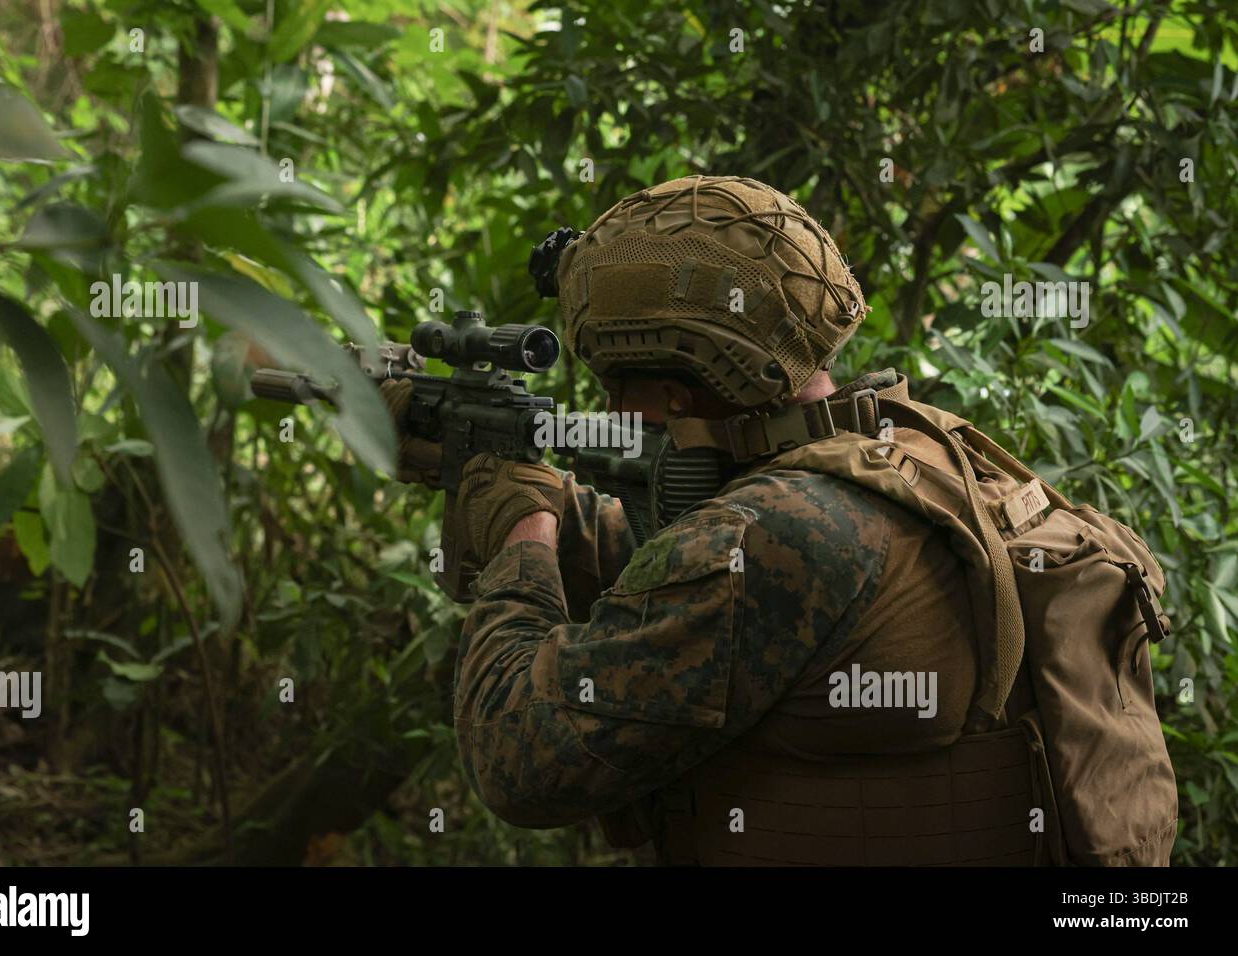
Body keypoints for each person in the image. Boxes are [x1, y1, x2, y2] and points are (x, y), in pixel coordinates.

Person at [384, 175, 1163, 865]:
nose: (615, 409)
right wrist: (521, 484)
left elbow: (522, 759)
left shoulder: (766, 537)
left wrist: (521, 534)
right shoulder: (910, 454)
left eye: (619, 383)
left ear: (674, 393)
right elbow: (687, 574)